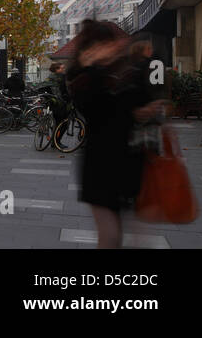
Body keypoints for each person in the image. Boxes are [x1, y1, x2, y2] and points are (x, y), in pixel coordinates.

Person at [67, 19, 162, 249]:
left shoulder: (128, 71)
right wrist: (91, 67)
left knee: (127, 235)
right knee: (109, 235)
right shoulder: (84, 77)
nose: (112, 49)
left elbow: (140, 105)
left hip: (130, 163)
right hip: (100, 165)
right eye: (106, 45)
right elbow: (91, 107)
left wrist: (147, 111)